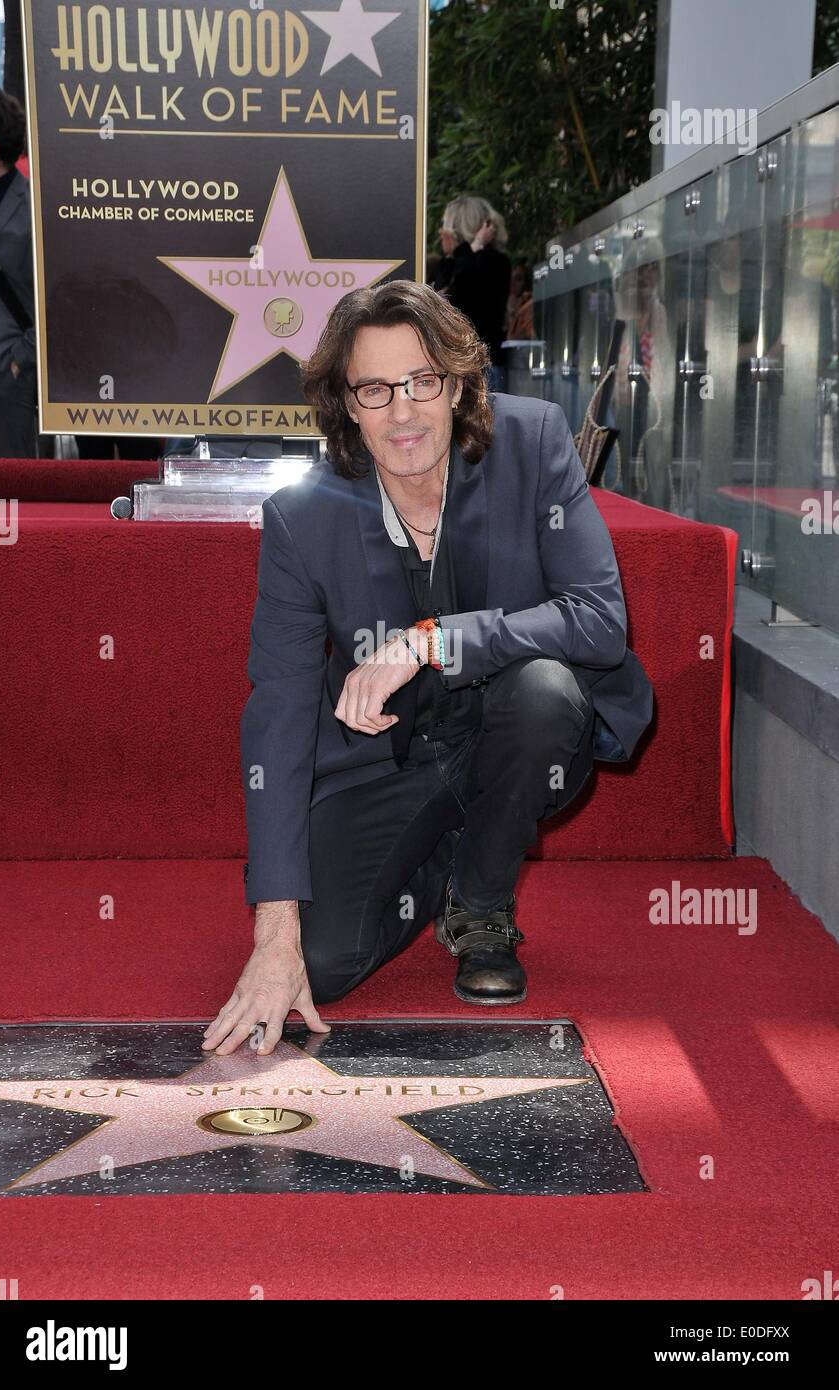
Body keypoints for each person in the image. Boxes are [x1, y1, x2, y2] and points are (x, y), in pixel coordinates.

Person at [203, 280, 653, 1059]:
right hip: (391, 758)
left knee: (542, 691)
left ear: (457, 382)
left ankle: (479, 904)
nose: (403, 413)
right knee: (322, 964)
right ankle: (448, 850)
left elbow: (598, 620)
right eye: (375, 390)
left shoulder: (532, 441)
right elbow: (276, 710)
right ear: (345, 405)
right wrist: (274, 926)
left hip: (518, 730)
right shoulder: (302, 517)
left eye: (421, 382)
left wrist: (431, 639)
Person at [0, 87, 37, 459]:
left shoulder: (32, 204)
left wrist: (21, 359)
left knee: (12, 498)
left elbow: (52, 295)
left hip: (8, 374)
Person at [432, 195, 511, 392]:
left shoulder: (493, 262)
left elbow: (459, 293)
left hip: (483, 361)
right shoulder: (452, 263)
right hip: (452, 360)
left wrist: (472, 247)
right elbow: (438, 298)